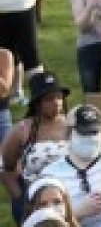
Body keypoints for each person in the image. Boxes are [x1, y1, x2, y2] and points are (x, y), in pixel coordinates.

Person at [0, 72, 68, 217]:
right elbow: (5, 168)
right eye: (49, 99)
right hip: (34, 200)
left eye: (59, 97)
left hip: (69, 197)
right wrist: (20, 197)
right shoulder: (22, 130)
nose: (56, 102)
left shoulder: (72, 125)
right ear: (37, 103)